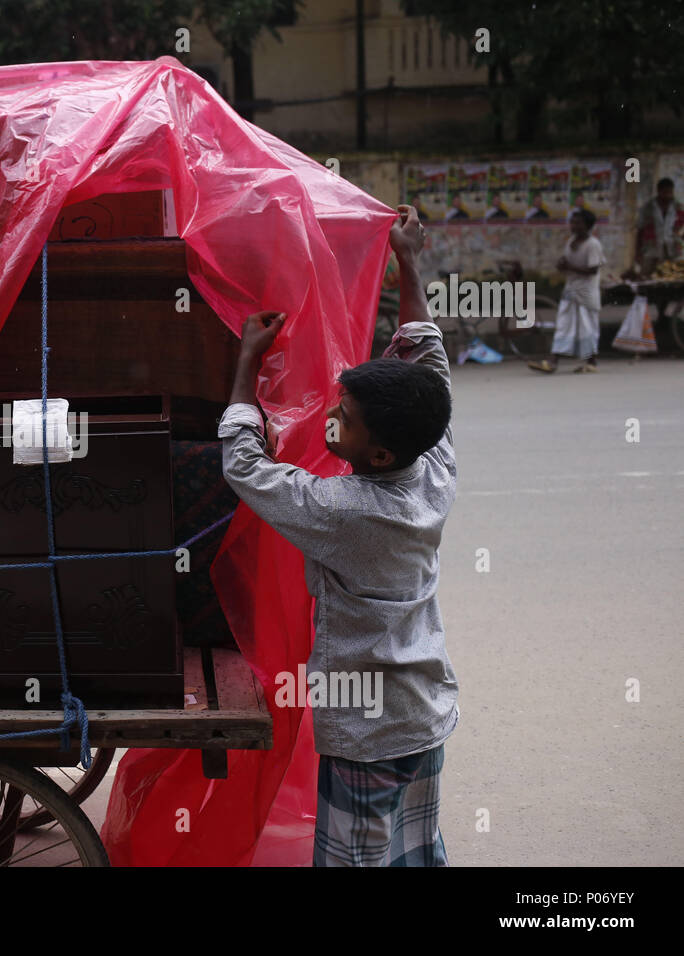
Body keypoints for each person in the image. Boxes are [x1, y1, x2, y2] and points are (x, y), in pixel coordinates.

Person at [220, 204, 457, 866]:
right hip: (423, 713)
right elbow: (426, 355)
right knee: (416, 852)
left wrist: (246, 364)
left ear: (377, 454)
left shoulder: (344, 508)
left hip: (368, 731)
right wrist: (407, 262)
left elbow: (243, 466)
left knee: (354, 860)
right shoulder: (431, 460)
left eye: (344, 419)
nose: (330, 417)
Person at [528, 208, 604, 373]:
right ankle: (553, 360)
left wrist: (569, 267)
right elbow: (568, 263)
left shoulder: (593, 245)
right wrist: (563, 265)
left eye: (578, 223)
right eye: (572, 222)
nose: (573, 225)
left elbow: (593, 270)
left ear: (587, 226)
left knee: (587, 327)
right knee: (564, 324)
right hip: (571, 289)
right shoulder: (571, 242)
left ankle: (591, 361)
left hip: (586, 293)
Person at [633, 177, 683, 276]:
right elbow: (640, 230)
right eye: (665, 192)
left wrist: (680, 240)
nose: (668, 195)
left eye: (670, 192)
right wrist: (637, 253)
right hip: (651, 250)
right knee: (646, 277)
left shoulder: (678, 207)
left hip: (673, 250)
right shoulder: (647, 208)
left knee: (675, 276)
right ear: (659, 191)